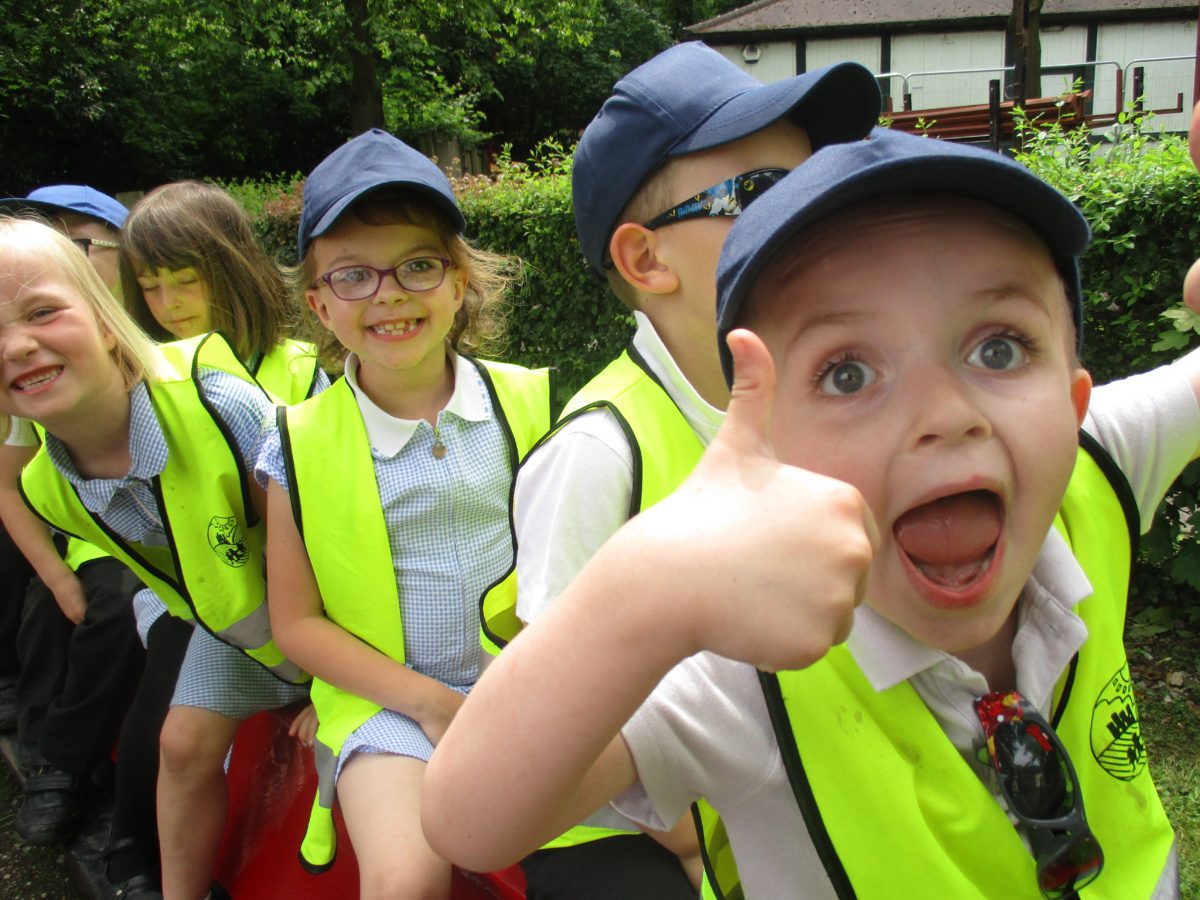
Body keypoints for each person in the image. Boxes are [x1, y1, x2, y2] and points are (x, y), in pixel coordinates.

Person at [423, 128, 1187, 897]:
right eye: (849, 372)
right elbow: (470, 821)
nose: (945, 414)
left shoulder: (1097, 464)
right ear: (770, 447)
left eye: (1000, 349)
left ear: (1071, 402)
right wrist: (643, 591)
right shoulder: (747, 670)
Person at [483, 40, 880, 897]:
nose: (810, 215)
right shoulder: (596, 454)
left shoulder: (828, 397)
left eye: (816, 180)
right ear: (645, 261)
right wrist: (676, 828)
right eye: (764, 194)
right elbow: (552, 709)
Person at [256, 128, 551, 898]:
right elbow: (296, 623)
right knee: (404, 879)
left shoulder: (535, 403)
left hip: (524, 682)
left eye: (418, 265)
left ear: (461, 283)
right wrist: (429, 703)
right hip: (387, 702)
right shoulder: (295, 440)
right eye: (353, 275)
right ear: (319, 305)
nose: (388, 293)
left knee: (679, 830)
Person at [0, 217, 310, 900]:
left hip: (336, 618)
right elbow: (183, 579)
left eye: (43, 312)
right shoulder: (50, 488)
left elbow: (328, 543)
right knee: (178, 746)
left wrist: (335, 683)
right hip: (238, 628)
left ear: (109, 321)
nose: (17, 346)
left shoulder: (216, 402)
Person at [101, 178, 330, 899]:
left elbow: (342, 525)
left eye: (185, 281)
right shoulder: (142, 380)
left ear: (229, 271)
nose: (169, 305)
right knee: (176, 740)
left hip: (320, 611)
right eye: (151, 287)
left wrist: (332, 675)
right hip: (220, 611)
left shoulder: (297, 369)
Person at [0, 187, 147, 854]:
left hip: (169, 538)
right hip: (83, 530)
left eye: (86, 245)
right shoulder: (31, 380)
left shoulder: (174, 359)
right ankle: (51, 762)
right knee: (84, 602)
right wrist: (57, 574)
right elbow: (14, 487)